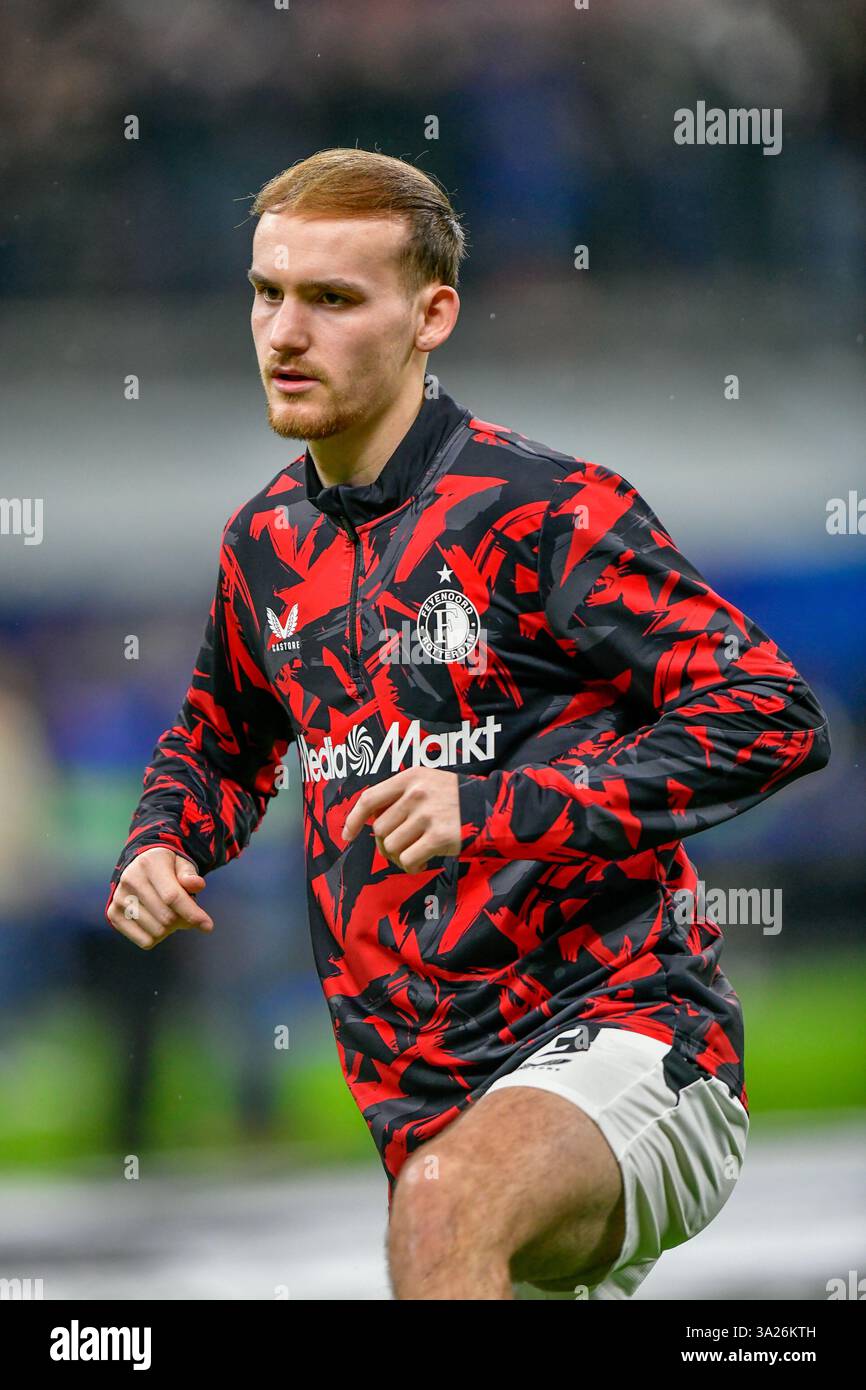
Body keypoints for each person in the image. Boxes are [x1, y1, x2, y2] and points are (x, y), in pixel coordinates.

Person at [105, 147, 831, 1300]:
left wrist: (495, 807)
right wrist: (163, 840)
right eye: (267, 292)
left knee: (447, 1207)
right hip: (425, 1105)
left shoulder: (543, 509)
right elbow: (223, 739)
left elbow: (770, 715)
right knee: (441, 1208)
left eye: (333, 299)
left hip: (632, 1042)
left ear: (430, 314)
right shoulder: (262, 546)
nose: (285, 332)